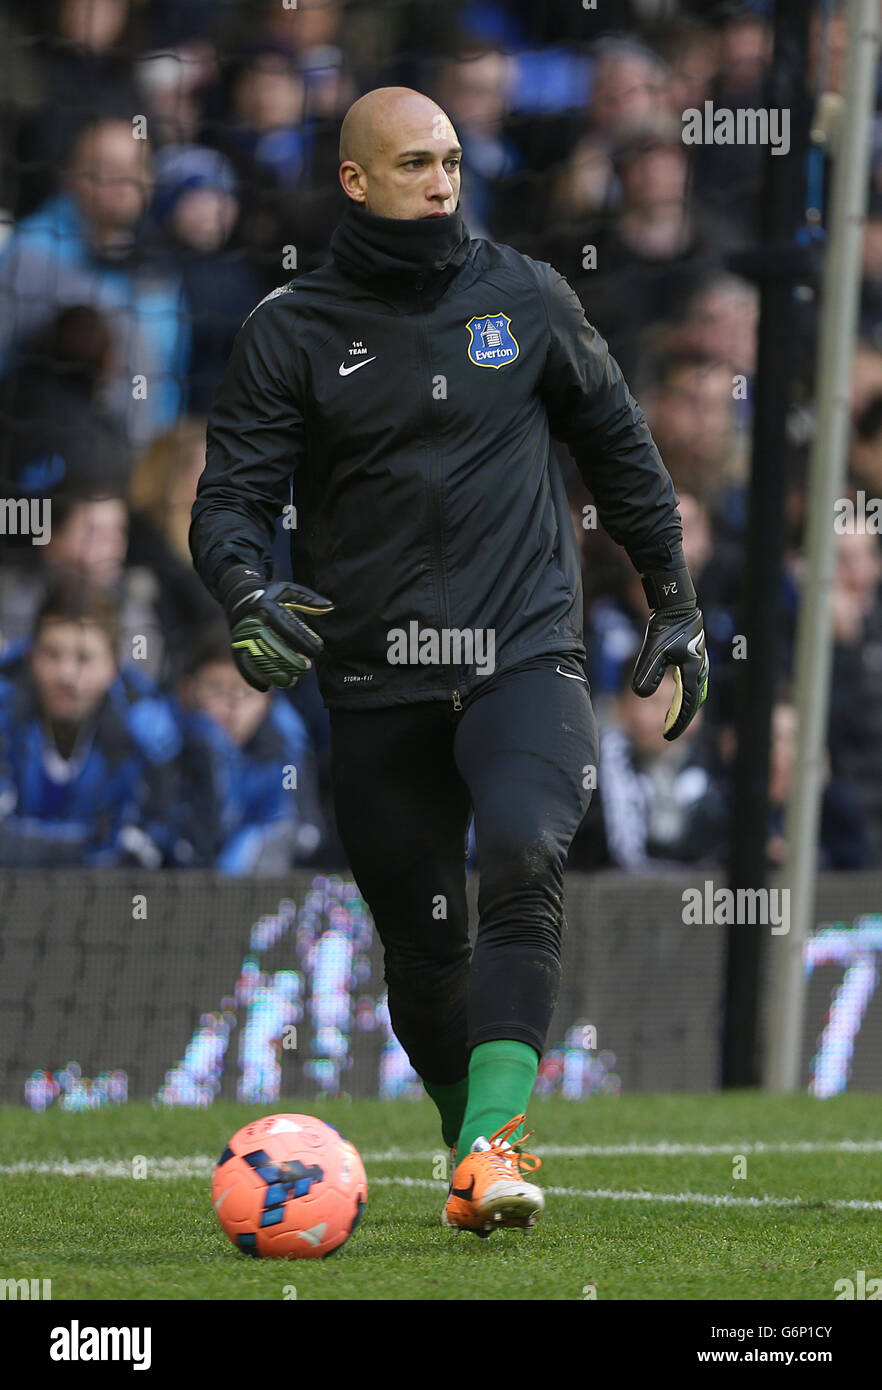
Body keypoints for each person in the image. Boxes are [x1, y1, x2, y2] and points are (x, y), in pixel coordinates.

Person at [190, 86, 709, 1238]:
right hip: (374, 684)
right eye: (417, 162)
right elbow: (229, 500)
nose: (442, 181)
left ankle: (491, 1144)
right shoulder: (289, 328)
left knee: (527, 847)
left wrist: (673, 596)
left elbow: (621, 447)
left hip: (523, 653)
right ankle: (463, 1142)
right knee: (425, 949)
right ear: (356, 180)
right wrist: (245, 588)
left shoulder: (527, 297)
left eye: (455, 160)